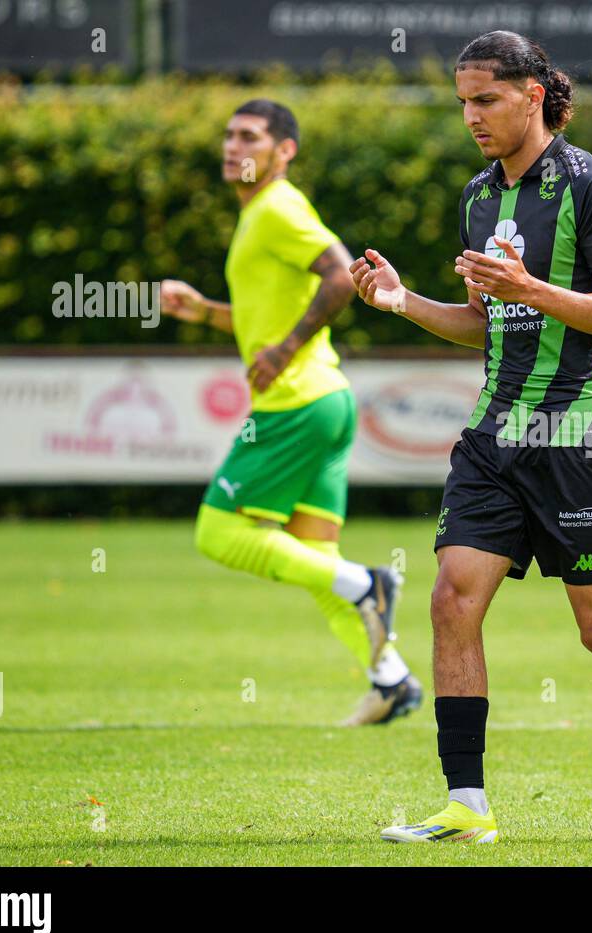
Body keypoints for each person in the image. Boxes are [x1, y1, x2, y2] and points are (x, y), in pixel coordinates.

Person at [351, 33, 592, 842]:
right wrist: (400, 302)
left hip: (578, 432)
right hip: (495, 435)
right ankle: (468, 806)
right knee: (452, 599)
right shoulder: (477, 197)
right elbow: (485, 323)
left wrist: (533, 286)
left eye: (485, 99)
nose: (471, 116)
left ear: (533, 95)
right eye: (462, 101)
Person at [160, 99, 421, 726]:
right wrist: (204, 312)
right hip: (327, 400)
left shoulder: (277, 206)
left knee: (218, 533)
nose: (232, 147)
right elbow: (263, 317)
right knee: (316, 565)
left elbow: (340, 274)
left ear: (284, 152)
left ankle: (370, 585)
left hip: (296, 403)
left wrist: (283, 348)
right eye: (227, 135)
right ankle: (392, 681)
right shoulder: (257, 216)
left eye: (248, 137)